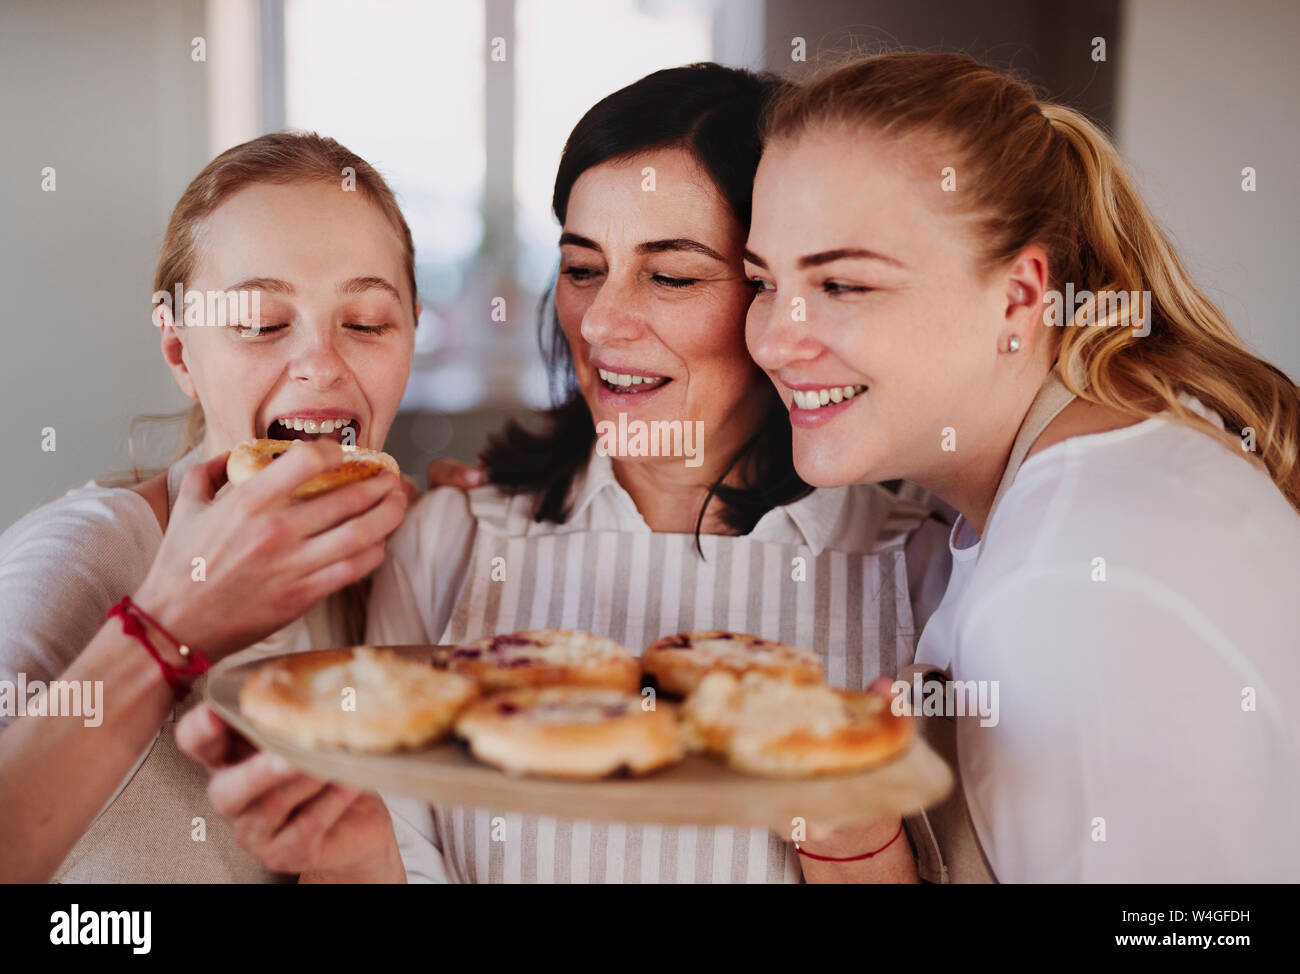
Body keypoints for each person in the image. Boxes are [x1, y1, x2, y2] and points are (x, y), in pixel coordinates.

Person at [182, 63, 952, 884]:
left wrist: (856, 842)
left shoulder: (919, 568)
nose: (605, 322)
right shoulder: (453, 538)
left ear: (773, 295)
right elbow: (380, 862)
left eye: (672, 275)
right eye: (584, 269)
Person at [743, 51, 1300, 882]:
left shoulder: (1071, 584)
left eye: (845, 286)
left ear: (1019, 295)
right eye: (763, 281)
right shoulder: (1071, 475)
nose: (776, 340)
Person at [0, 132, 414, 883]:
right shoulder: (86, 554)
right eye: (259, 322)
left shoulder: (387, 574)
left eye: (366, 322)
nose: (321, 362)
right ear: (181, 354)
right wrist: (166, 627)